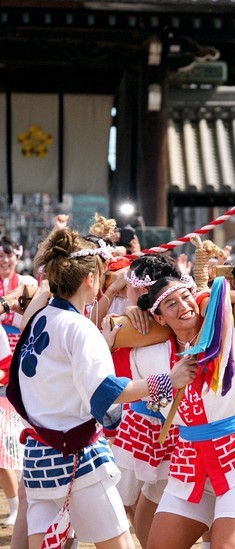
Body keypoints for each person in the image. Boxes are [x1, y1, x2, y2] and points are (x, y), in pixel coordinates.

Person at [8, 228, 197, 548]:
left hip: (40, 455)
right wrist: (168, 380)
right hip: (78, 455)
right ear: (91, 280)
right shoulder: (80, 328)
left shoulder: (39, 318)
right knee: (119, 544)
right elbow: (105, 391)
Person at [129, 270, 235, 549]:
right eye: (171, 303)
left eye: (186, 297)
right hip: (190, 462)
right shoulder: (147, 354)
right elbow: (109, 349)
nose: (183, 306)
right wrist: (127, 314)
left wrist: (218, 297)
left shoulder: (229, 330)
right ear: (159, 318)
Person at [107, 254, 183, 546]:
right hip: (137, 419)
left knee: (179, 506)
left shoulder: (167, 318)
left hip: (174, 422)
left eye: (129, 285)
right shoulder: (128, 319)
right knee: (131, 505)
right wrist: (118, 299)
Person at [0, 236, 37, 528]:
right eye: (0, 256)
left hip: (24, 363)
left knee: (19, 436)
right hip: (2, 366)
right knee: (6, 443)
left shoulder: (26, 282)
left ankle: (22, 497)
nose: (4, 260)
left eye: (9, 255)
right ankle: (16, 502)